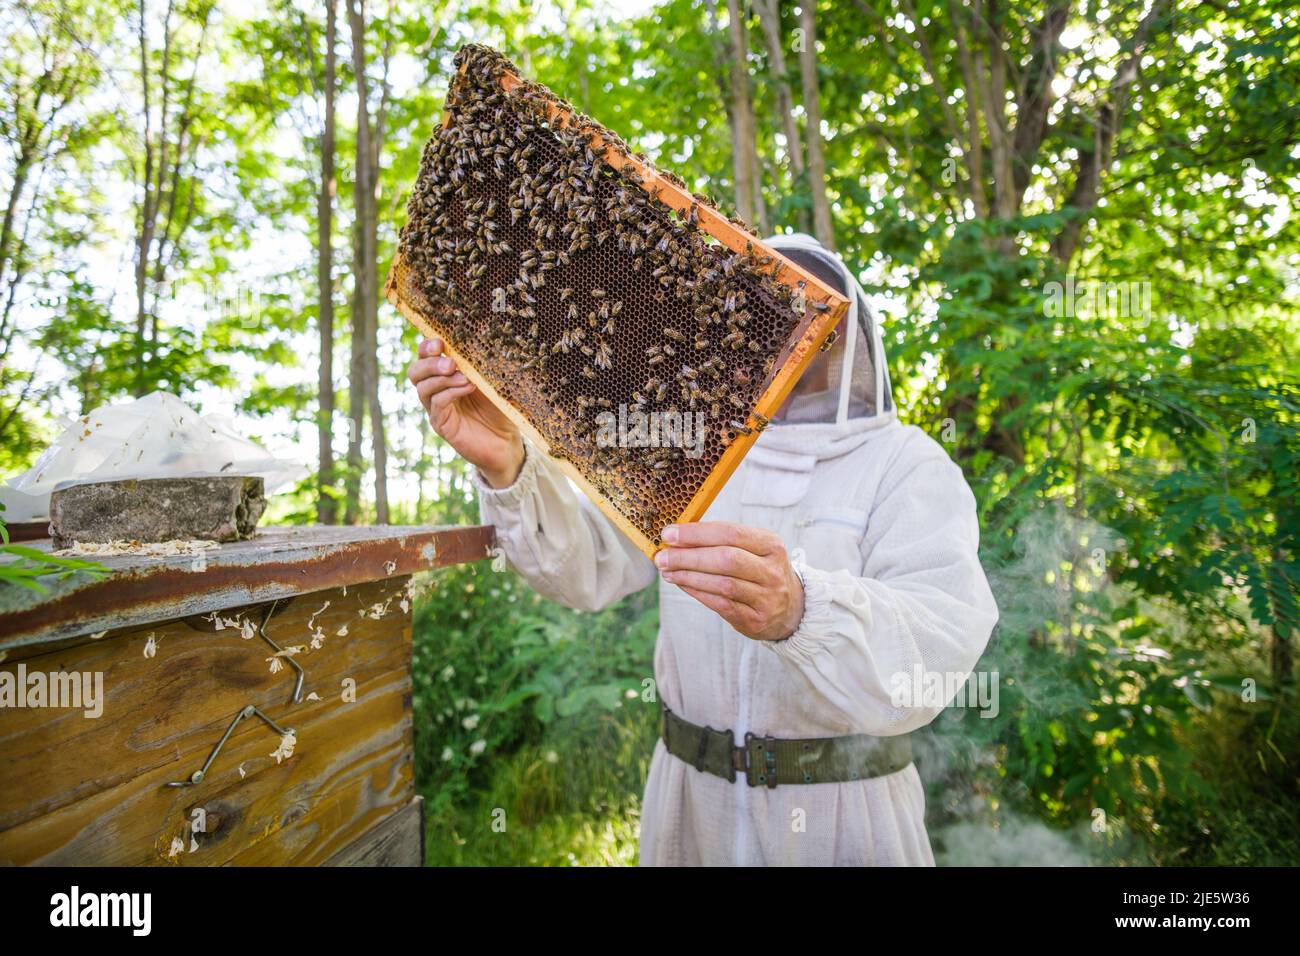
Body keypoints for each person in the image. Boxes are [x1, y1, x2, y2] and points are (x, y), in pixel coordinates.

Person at [406, 233, 998, 865]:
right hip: (691, 814)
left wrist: (802, 610)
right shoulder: (690, 454)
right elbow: (584, 571)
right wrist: (509, 466)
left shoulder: (906, 465)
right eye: (755, 317)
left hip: (845, 824)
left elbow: (934, 647)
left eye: (805, 322)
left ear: (847, 335)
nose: (784, 341)